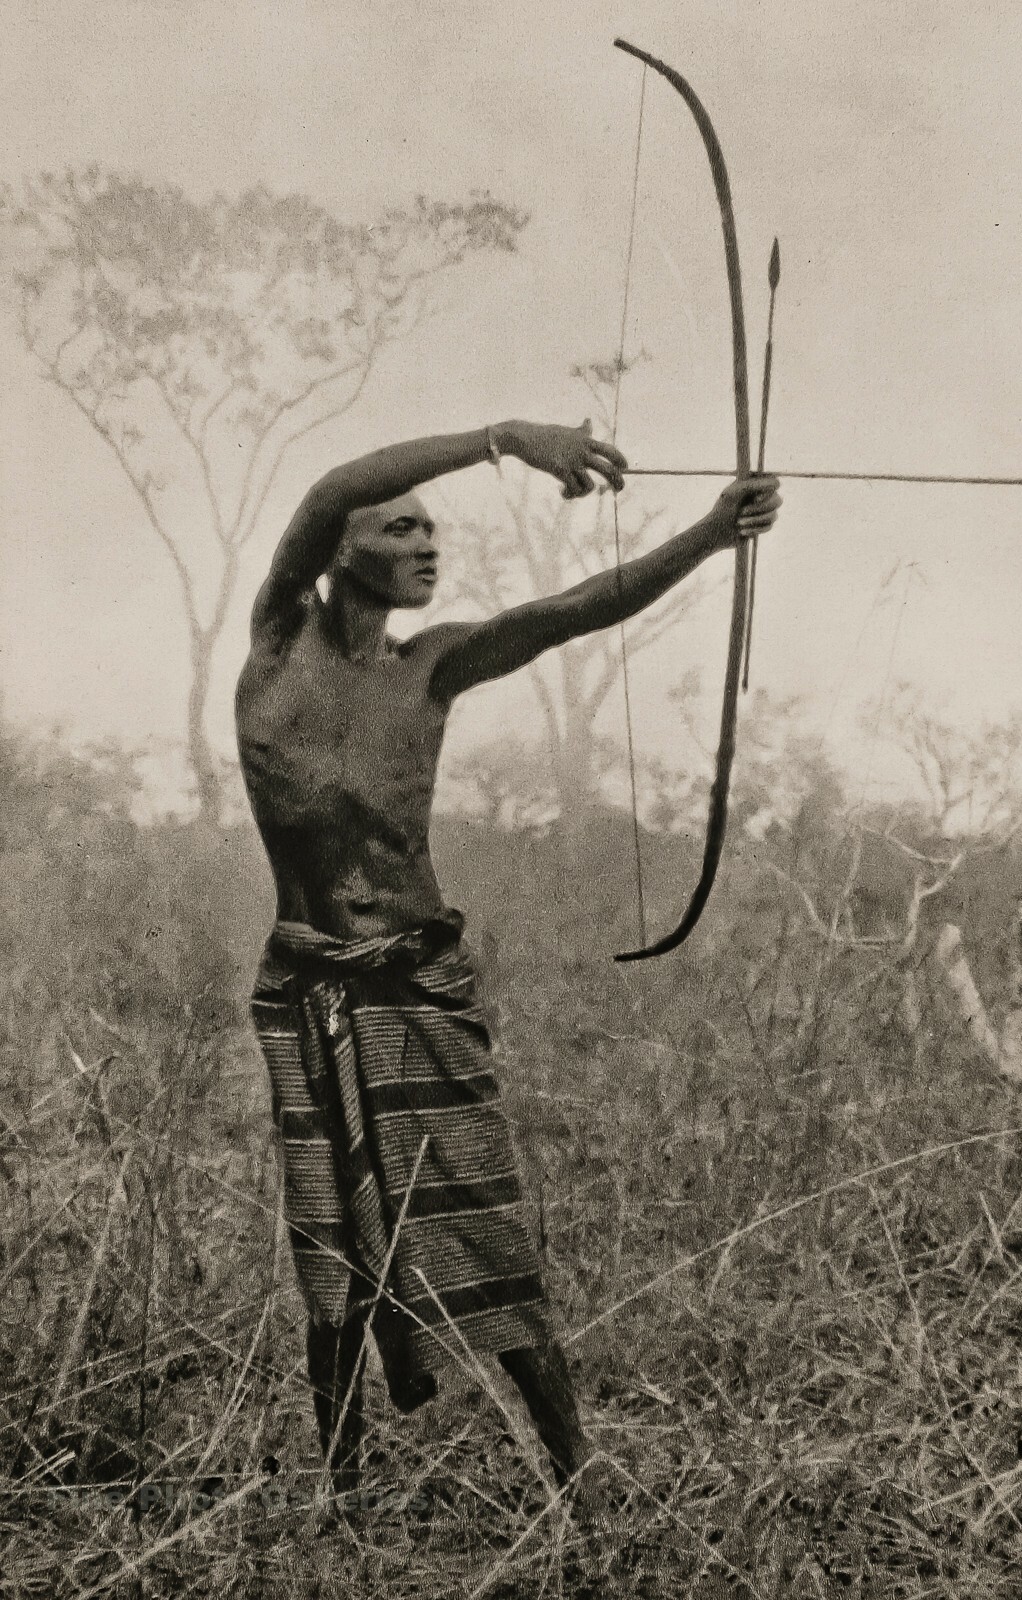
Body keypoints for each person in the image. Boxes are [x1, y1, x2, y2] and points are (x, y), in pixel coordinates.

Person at [235, 418, 780, 1510]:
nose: (427, 541)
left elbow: (569, 610)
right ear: (341, 553)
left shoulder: (431, 665)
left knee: (482, 1226)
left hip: (420, 981)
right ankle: (338, 1496)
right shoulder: (277, 646)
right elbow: (339, 478)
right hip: (309, 988)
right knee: (333, 1251)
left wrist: (710, 535)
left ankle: (576, 1482)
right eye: (400, 526)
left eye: (433, 528)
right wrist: (500, 438)